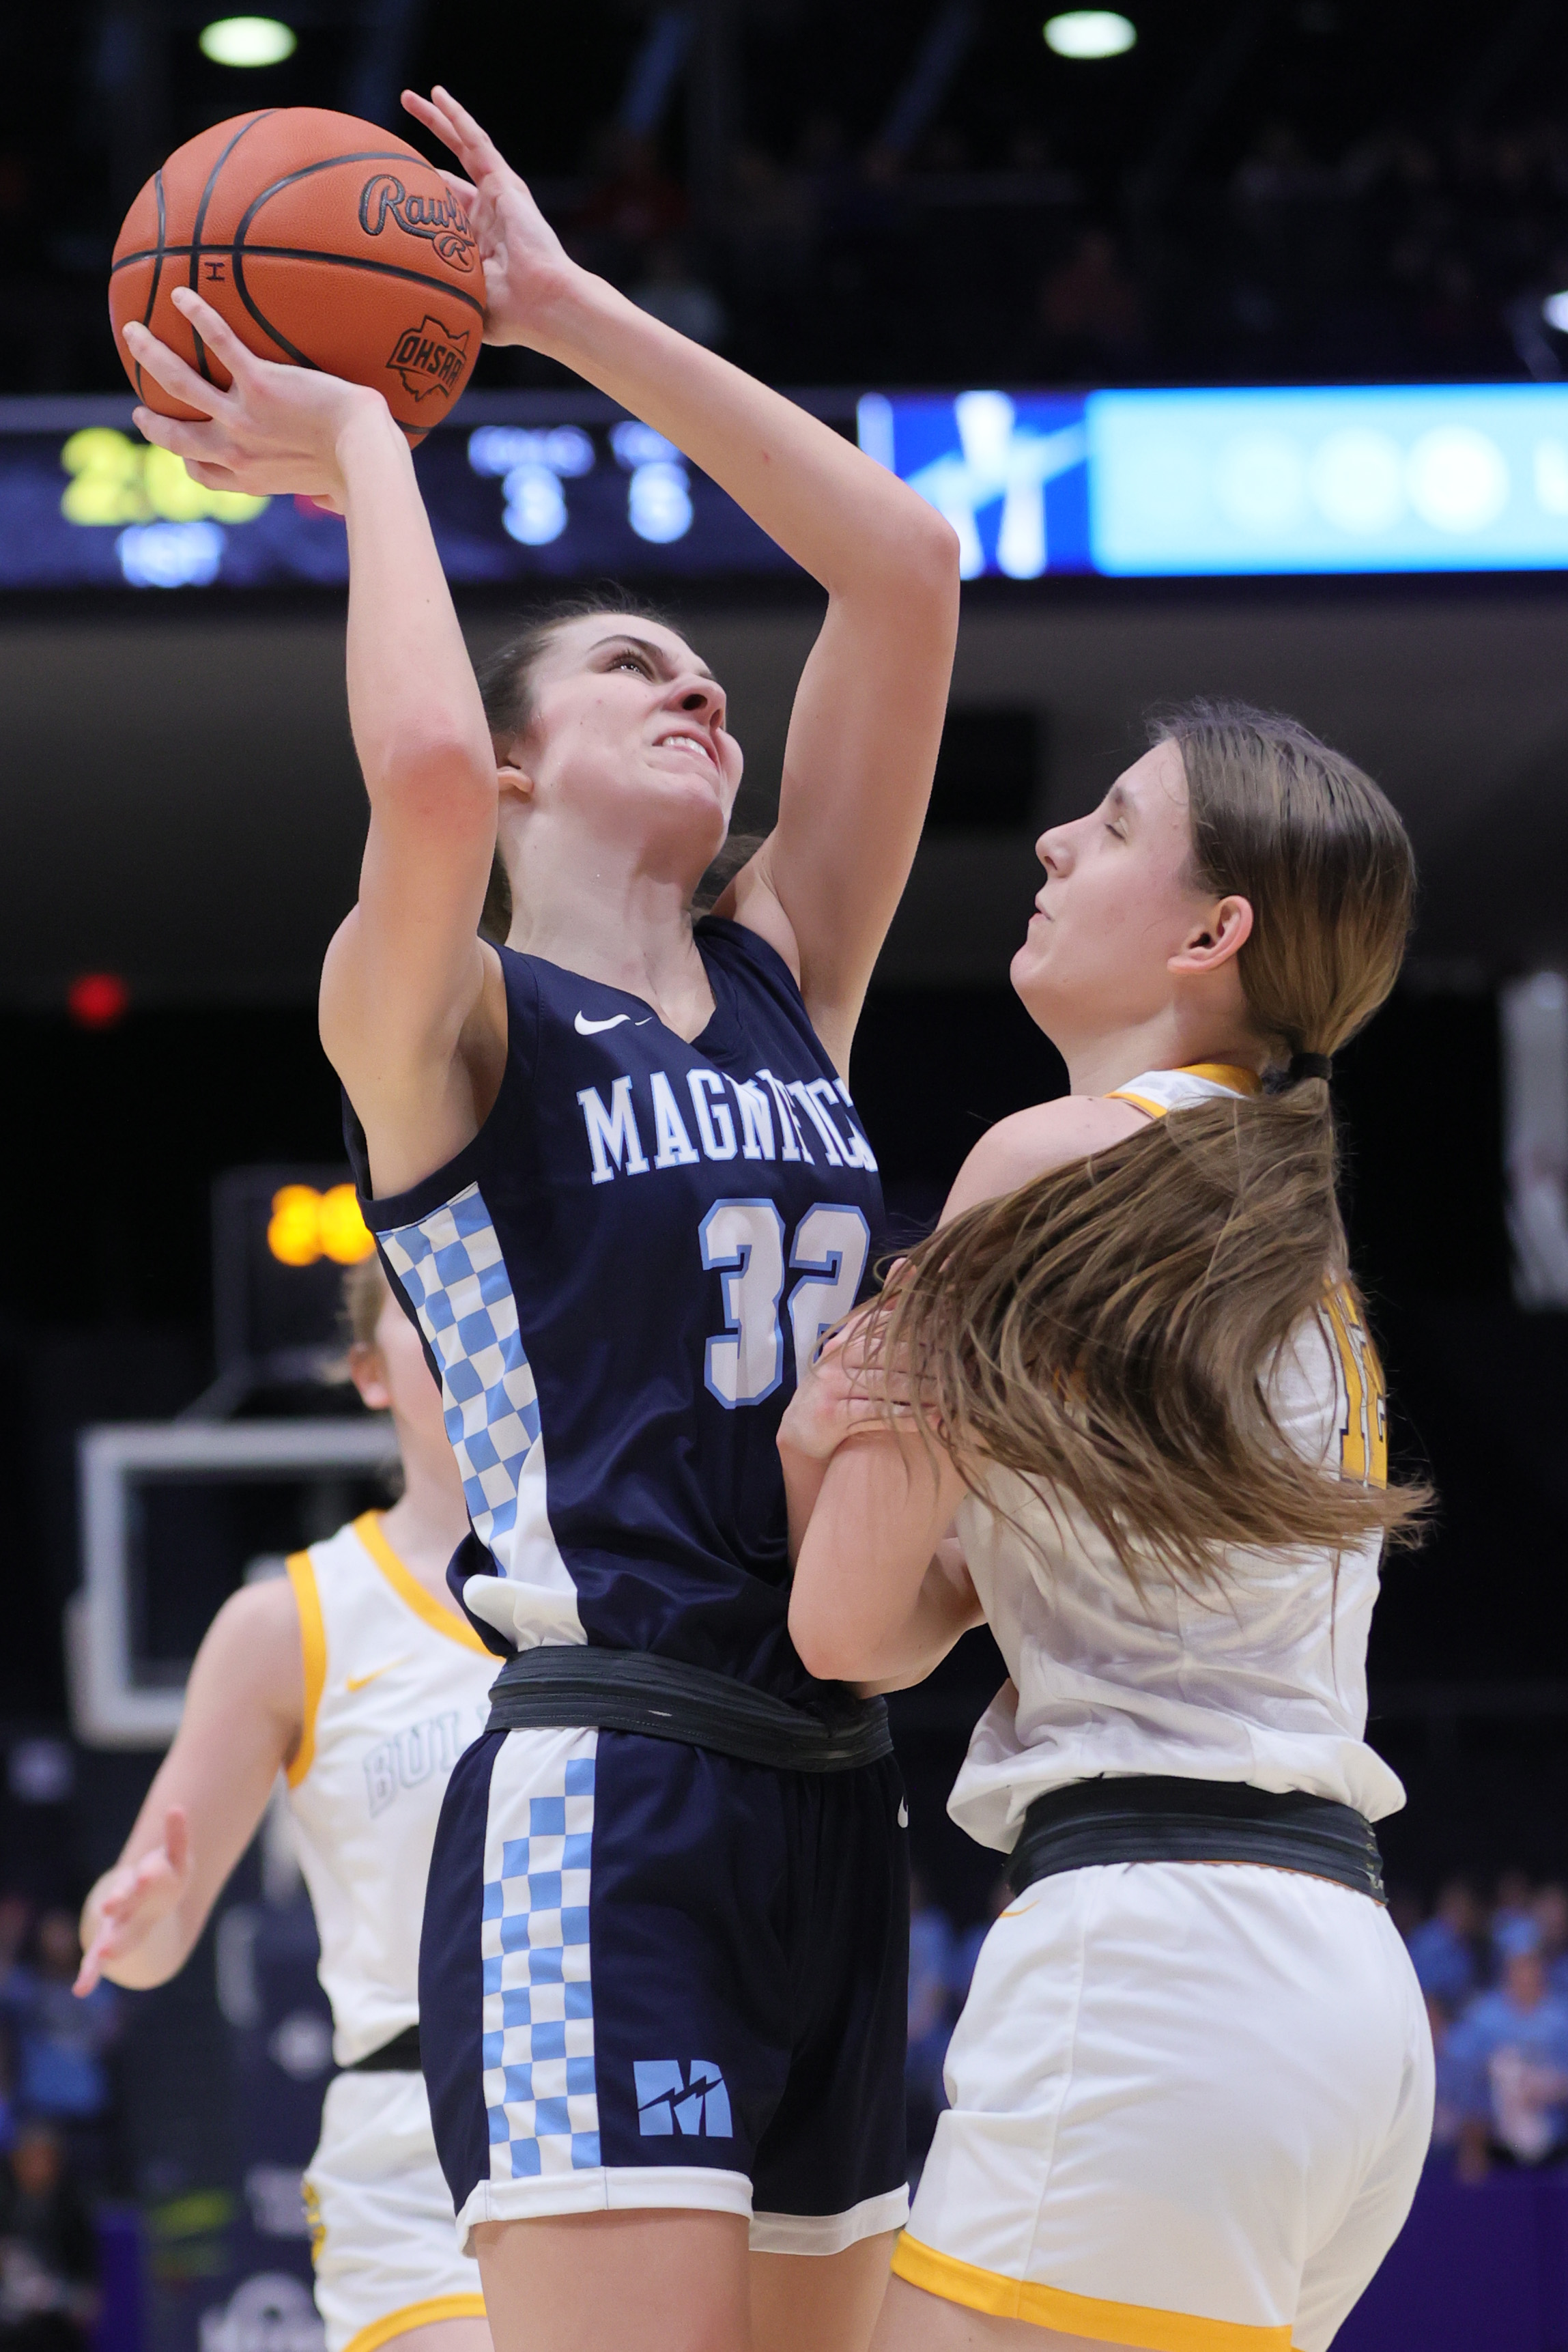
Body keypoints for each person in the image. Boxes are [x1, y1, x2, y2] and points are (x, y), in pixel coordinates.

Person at [117, 78, 958, 2352]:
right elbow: (400, 767)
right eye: (625, 671)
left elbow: (897, 564)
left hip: (831, 1787)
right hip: (605, 1785)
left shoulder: (799, 962)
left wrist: (564, 312)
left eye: (702, 673)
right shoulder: (443, 1018)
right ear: (517, 769)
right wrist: (373, 446)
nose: (699, 681)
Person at [783, 701, 1435, 2351]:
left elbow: (847, 1631)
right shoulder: (1277, 1212)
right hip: (1336, 1982)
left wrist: (814, 1447)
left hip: (1154, 1965)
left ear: (1217, 931)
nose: (1057, 843)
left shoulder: (1046, 1161)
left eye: (1118, 824)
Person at [75, 1258, 496, 2352]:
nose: (469, 1321)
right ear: (367, 1371)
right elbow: (145, 1942)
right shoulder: (292, 1621)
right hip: (420, 2148)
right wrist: (134, 1911)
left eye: (499, 1287)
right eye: (427, 1305)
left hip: (638, 2101)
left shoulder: (645, 1585)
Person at [1449, 1919, 1568, 2180]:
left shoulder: (1561, 2018)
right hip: (1498, 2148)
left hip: (1556, 2148)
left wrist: (1554, 2087)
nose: (1525, 1972)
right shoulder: (1484, 2018)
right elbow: (1465, 2082)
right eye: (1518, 1964)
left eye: (1531, 1963)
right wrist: (1472, 2145)